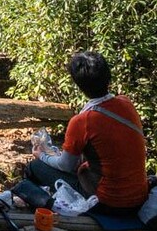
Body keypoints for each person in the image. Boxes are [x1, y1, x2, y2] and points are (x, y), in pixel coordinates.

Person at [26, 51, 148, 216]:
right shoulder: (126, 104)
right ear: (108, 77)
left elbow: (65, 165)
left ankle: (40, 216)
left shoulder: (83, 121)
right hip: (139, 199)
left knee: (34, 168)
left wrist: (41, 155)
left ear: (79, 86)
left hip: (107, 202)